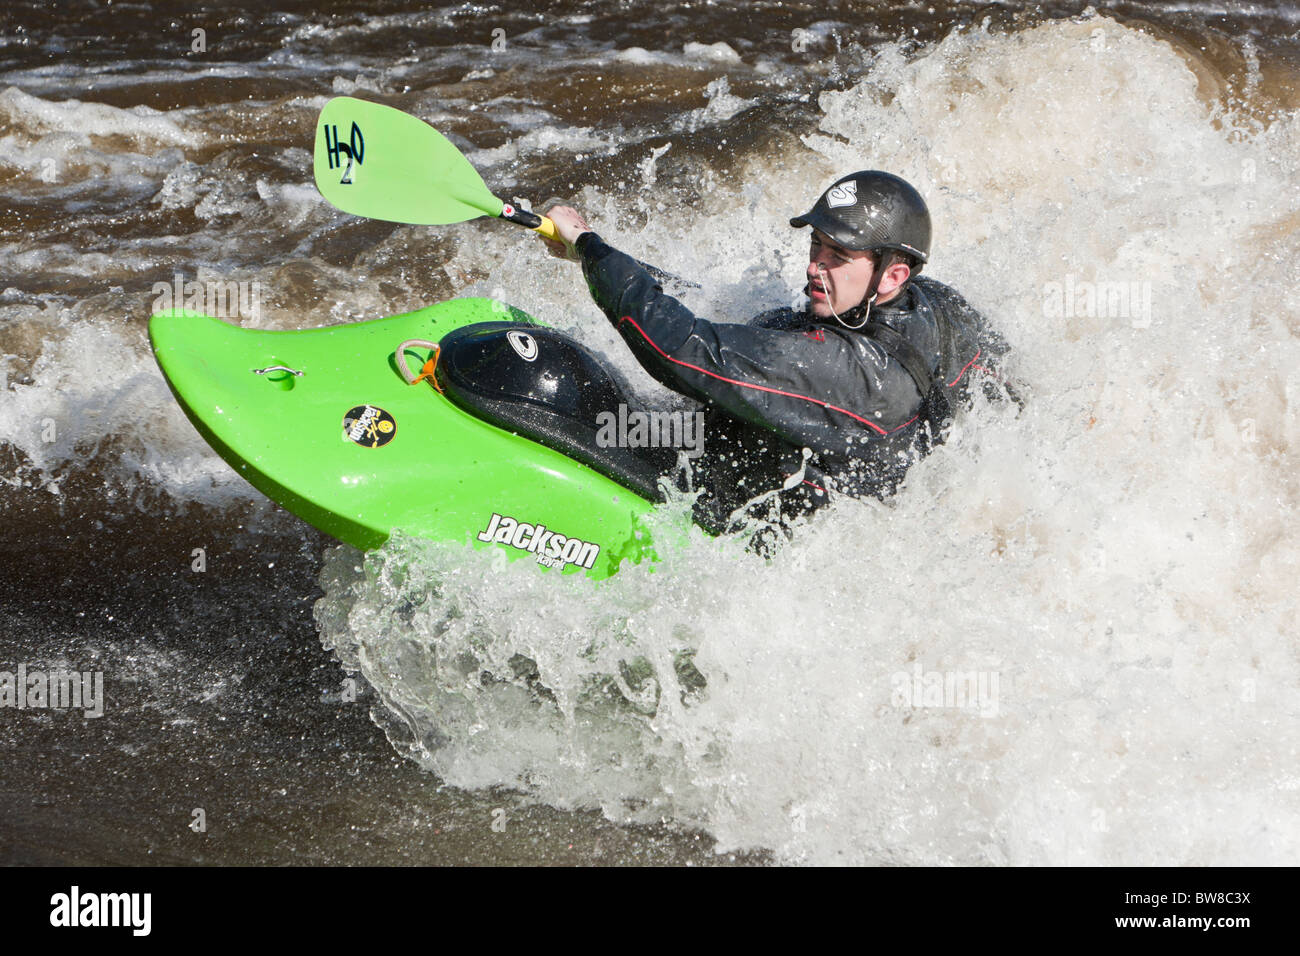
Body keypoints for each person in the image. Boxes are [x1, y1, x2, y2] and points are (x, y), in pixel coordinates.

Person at [541, 170, 1016, 534]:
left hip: (787, 531)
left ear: (893, 275)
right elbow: (1004, 378)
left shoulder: (845, 369)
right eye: (816, 244)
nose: (815, 265)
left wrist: (588, 245)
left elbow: (681, 349)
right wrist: (612, 263)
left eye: (839, 256)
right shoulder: (934, 302)